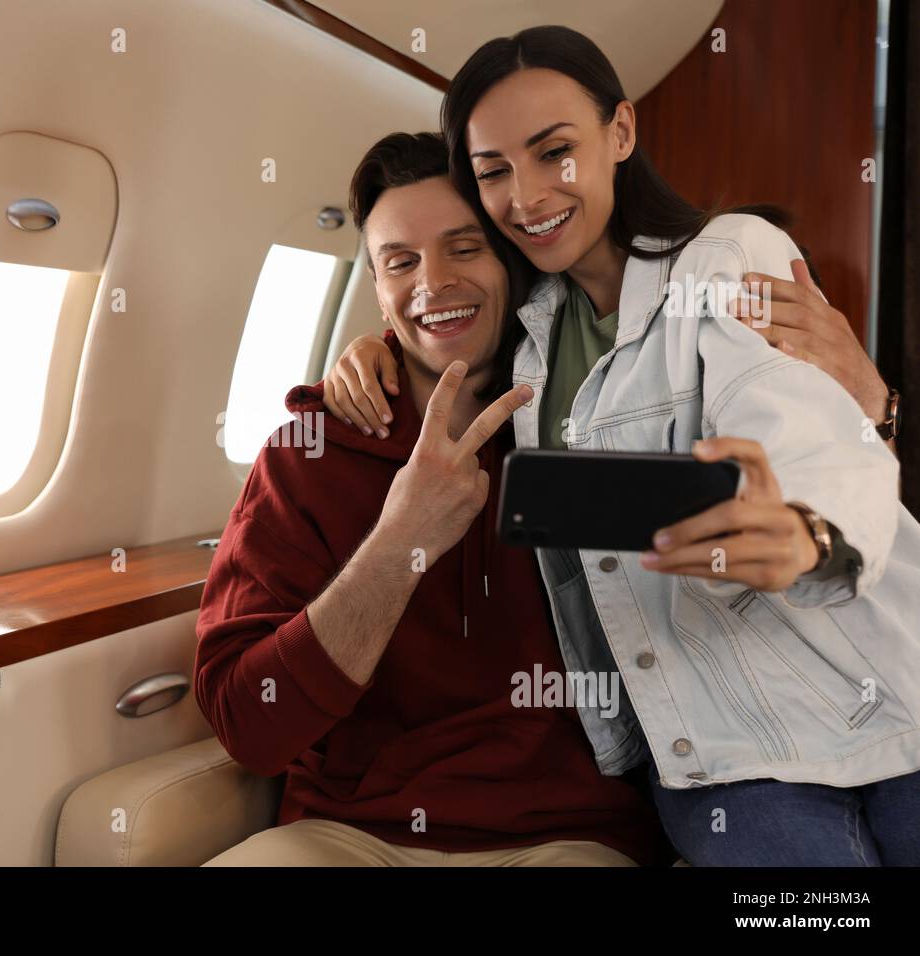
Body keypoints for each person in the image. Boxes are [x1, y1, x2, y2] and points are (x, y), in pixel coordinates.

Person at [320, 26, 920, 866]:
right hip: (718, 750)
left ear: (622, 134)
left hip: (878, 690)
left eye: (554, 152)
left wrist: (804, 531)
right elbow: (437, 306)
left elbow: (808, 435)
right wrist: (369, 349)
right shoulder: (526, 344)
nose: (526, 196)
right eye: (493, 172)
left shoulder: (729, 257)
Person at [195, 131, 676, 867]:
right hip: (346, 836)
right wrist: (399, 543)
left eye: (464, 248)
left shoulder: (594, 422)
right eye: (402, 262)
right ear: (380, 291)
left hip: (567, 836)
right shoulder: (306, 456)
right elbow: (249, 727)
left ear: (512, 262)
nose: (433, 283)